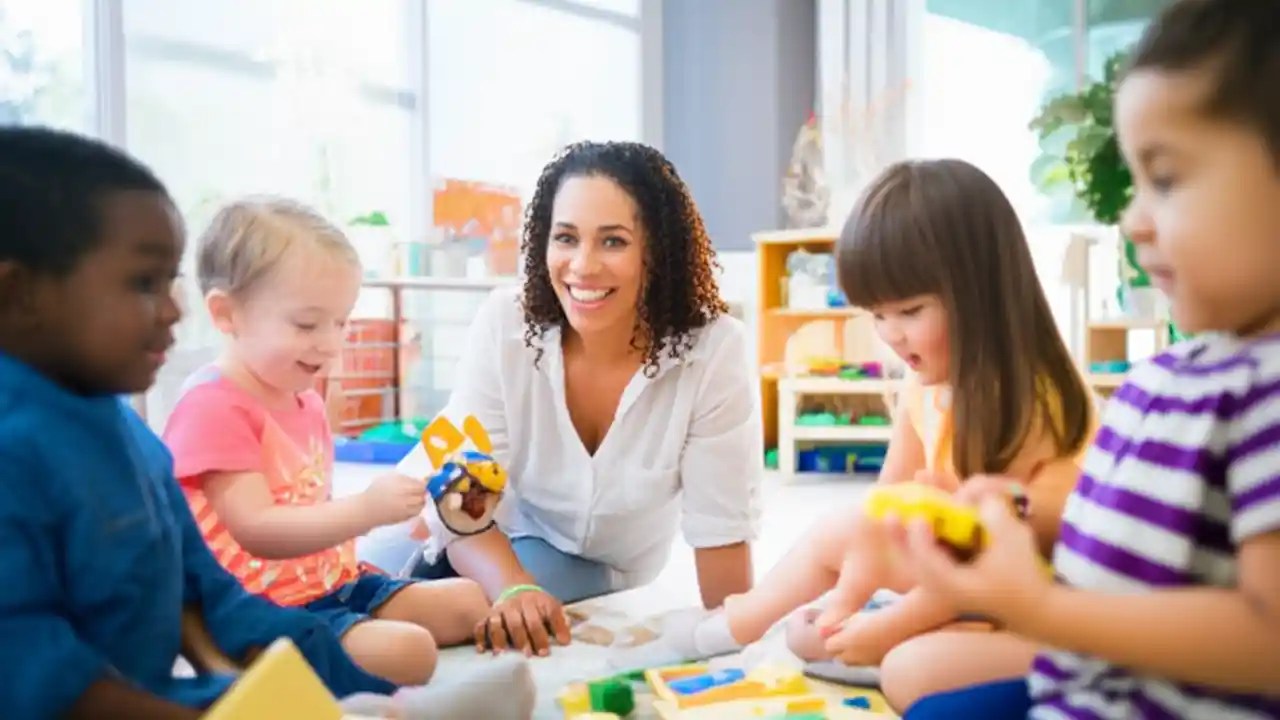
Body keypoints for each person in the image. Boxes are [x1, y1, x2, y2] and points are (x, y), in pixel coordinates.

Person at [0, 126, 535, 720]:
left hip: (193, 664)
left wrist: (281, 682)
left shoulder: (125, 435)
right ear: (19, 294)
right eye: (143, 284)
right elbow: (38, 679)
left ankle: (378, 710)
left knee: (303, 648)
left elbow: (207, 594)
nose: (175, 309)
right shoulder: (19, 447)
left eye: (170, 282)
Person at [884, 2, 1280, 717]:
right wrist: (1000, 516)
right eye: (1134, 184)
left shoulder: (1267, 393)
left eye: (1166, 180)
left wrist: (1038, 608)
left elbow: (1267, 639)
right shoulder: (1160, 380)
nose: (1132, 220)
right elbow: (1100, 551)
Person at [623, 158, 1097, 680]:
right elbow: (882, 512)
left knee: (899, 662)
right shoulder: (926, 387)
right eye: (878, 315)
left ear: (982, 294)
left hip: (1026, 592)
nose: (890, 334)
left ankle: (889, 641)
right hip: (953, 572)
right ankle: (731, 627)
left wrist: (885, 626)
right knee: (834, 540)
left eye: (910, 312)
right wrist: (846, 603)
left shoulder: (1028, 401)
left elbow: (989, 565)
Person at [404, 140, 763, 656]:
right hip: (476, 520)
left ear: (657, 252)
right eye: (566, 238)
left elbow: (721, 532)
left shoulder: (712, 352)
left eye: (613, 241)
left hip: (597, 562)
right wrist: (513, 587)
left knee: (438, 616)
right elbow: (462, 495)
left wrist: (737, 652)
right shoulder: (506, 323)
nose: (583, 265)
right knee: (356, 584)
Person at [161, 197, 490, 686]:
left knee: (469, 601)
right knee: (412, 652)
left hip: (330, 583)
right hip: (256, 610)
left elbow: (311, 501)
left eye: (341, 322)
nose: (332, 344)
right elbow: (257, 529)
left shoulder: (302, 396)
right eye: (307, 324)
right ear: (227, 314)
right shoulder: (213, 405)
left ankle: (355, 638)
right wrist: (367, 510)